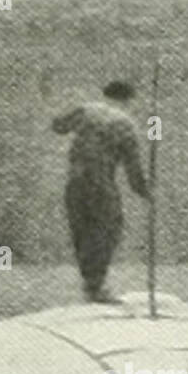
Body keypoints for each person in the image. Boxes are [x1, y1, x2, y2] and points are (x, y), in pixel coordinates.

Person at [51, 81, 150, 302]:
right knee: (108, 230)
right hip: (101, 183)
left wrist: (72, 111)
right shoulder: (125, 124)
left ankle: (90, 284)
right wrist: (147, 193)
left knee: (82, 231)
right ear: (128, 100)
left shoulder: (86, 110)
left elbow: (58, 126)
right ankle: (94, 285)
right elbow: (133, 171)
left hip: (75, 181)